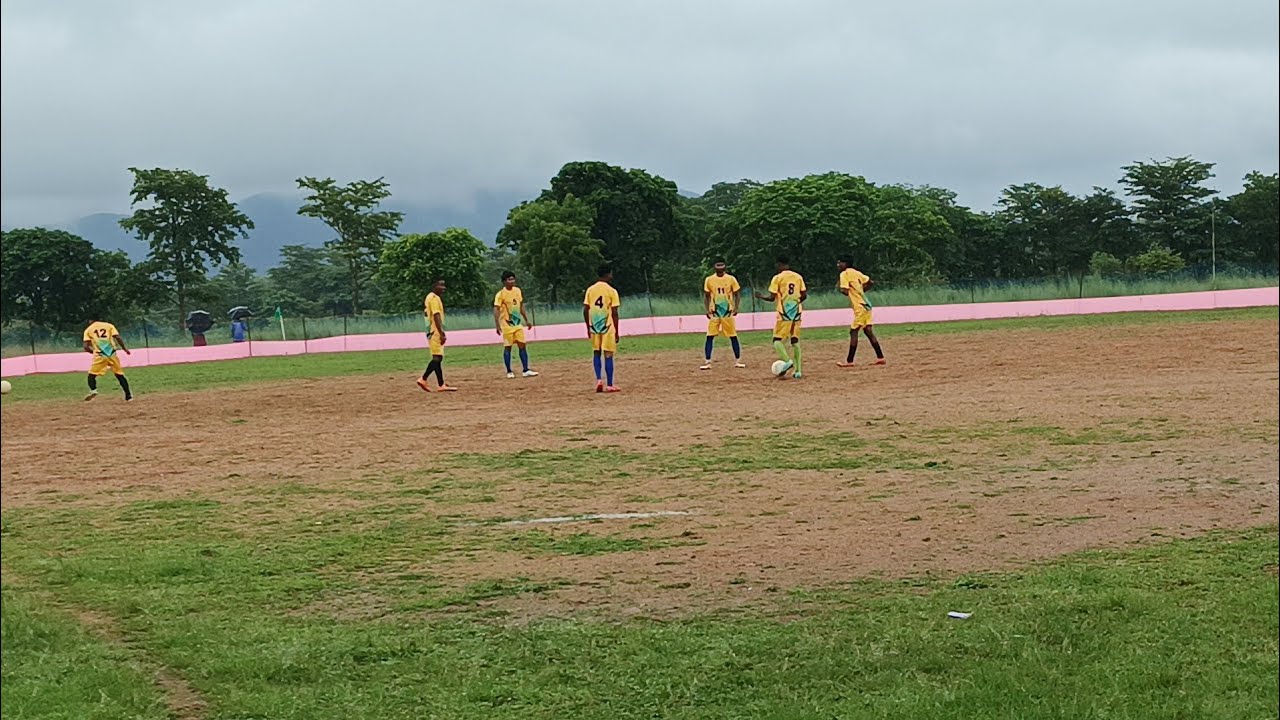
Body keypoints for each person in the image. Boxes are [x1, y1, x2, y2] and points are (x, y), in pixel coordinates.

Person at [754, 255, 807, 379]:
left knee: (777, 340)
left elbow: (772, 297)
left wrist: (761, 296)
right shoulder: (798, 277)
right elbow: (804, 295)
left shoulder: (777, 278)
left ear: (779, 264)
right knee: (795, 340)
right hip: (797, 313)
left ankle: (787, 361)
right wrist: (796, 303)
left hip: (784, 314)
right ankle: (798, 371)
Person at [835, 258, 886, 367]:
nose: (838, 264)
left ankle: (849, 361)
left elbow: (844, 290)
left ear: (846, 263)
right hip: (866, 304)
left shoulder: (844, 274)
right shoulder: (856, 273)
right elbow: (870, 282)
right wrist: (861, 291)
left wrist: (841, 288)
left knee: (853, 332)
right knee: (868, 331)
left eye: (840, 262)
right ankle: (880, 357)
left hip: (859, 307)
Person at [700, 261, 746, 370]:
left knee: (732, 335)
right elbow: (706, 296)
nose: (720, 267)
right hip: (714, 312)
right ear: (714, 268)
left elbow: (737, 294)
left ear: (725, 267)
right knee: (710, 336)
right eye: (718, 265)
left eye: (721, 265)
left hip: (727, 312)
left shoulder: (731, 279)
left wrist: (736, 307)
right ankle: (707, 361)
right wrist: (707, 309)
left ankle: (738, 361)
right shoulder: (709, 280)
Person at [493, 271, 539, 379]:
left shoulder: (517, 291)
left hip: (517, 323)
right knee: (508, 347)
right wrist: (497, 325)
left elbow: (521, 305)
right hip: (507, 324)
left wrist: (526, 320)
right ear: (504, 281)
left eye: (513, 279)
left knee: (522, 345)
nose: (512, 281)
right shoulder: (500, 294)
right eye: (509, 279)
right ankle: (509, 371)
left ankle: (525, 369)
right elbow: (496, 309)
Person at [583, 264, 621, 393]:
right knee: (608, 354)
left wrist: (588, 326)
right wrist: (616, 331)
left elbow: (585, 309)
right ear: (608, 274)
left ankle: (599, 379)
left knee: (596, 352)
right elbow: (615, 313)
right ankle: (610, 384)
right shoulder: (611, 291)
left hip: (594, 326)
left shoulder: (590, 290)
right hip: (607, 326)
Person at [416, 279, 457, 392]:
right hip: (435, 331)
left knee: (438, 357)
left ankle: (441, 384)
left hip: (432, 331)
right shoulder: (433, 299)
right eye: (440, 285)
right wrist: (441, 332)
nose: (443, 288)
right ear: (434, 286)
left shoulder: (431, 297)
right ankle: (423, 378)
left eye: (444, 285)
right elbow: (436, 315)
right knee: (437, 358)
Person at [82, 319, 133, 402]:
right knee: (119, 375)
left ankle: (93, 390)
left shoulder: (88, 329)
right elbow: (117, 337)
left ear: (91, 321)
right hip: (112, 354)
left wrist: (93, 352)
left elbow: (86, 347)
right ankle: (128, 396)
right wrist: (124, 348)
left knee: (91, 375)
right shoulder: (109, 326)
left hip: (100, 355)